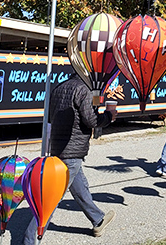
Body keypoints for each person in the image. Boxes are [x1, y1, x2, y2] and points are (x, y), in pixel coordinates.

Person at [24, 75, 116, 244]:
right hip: (73, 150)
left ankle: (98, 220)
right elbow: (92, 120)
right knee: (51, 199)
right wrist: (109, 116)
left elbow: (51, 118)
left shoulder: (60, 87)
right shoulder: (84, 89)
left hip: (59, 147)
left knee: (79, 187)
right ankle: (30, 240)